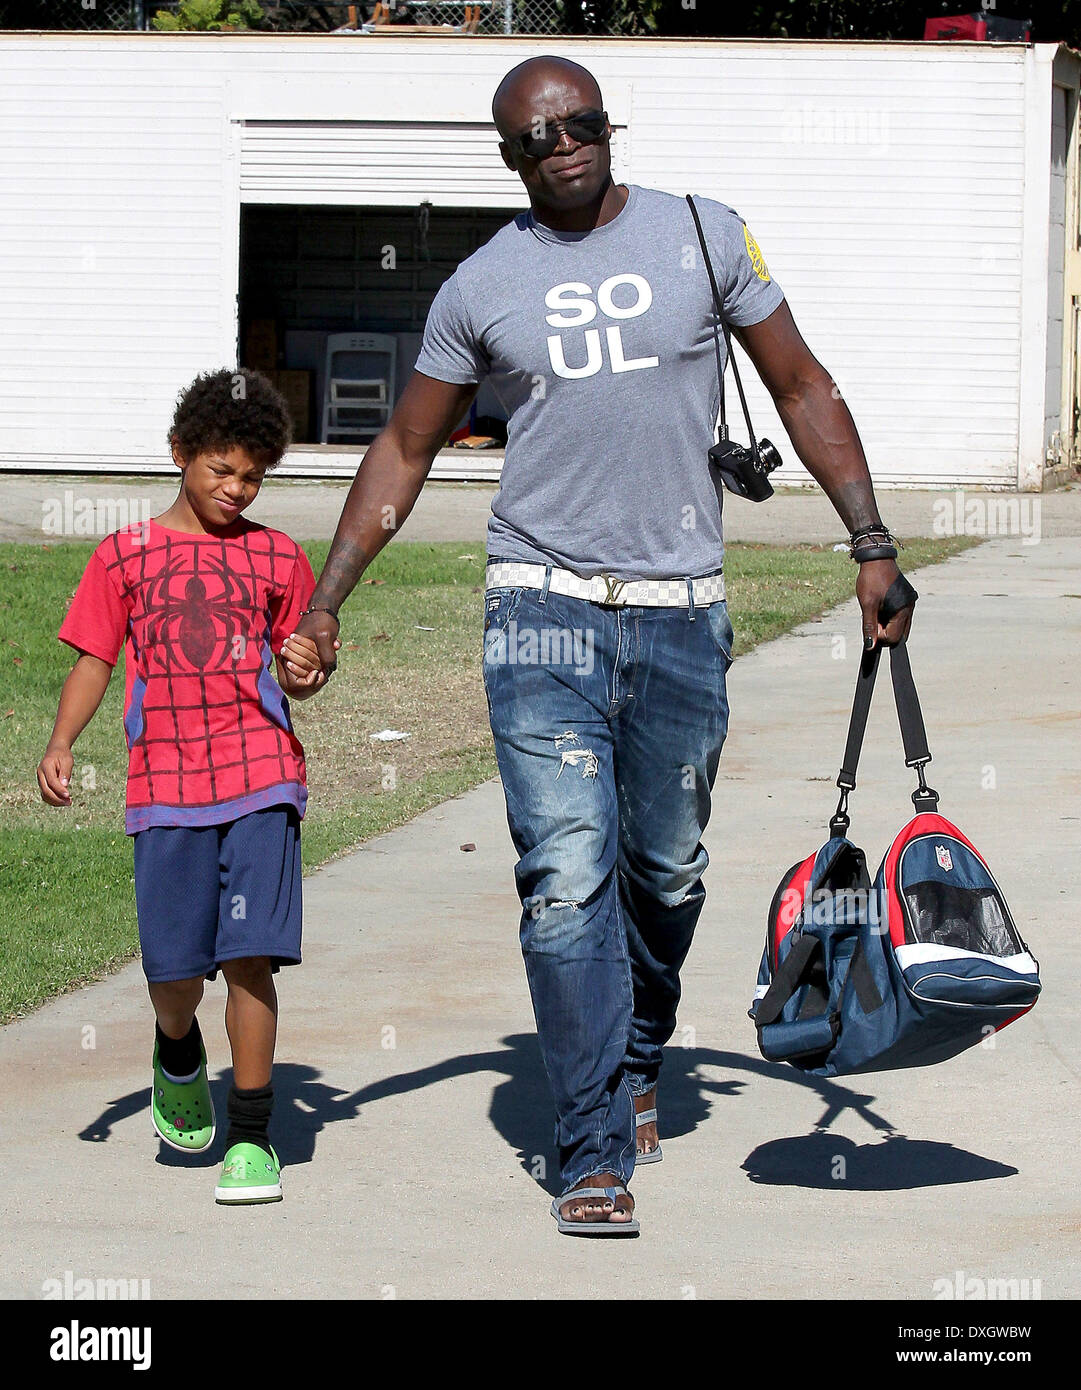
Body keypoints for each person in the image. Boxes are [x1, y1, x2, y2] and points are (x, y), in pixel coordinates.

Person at [292, 55, 916, 1235]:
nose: (562, 145)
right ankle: (586, 1150)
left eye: (579, 123)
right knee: (564, 878)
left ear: (607, 126)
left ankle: (638, 1052)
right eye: (536, 137)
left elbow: (800, 384)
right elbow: (407, 449)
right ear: (509, 157)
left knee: (667, 869)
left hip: (682, 609)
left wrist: (870, 541)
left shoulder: (706, 232)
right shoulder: (480, 284)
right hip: (539, 609)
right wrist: (329, 598)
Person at [36, 368, 331, 1205]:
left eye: (253, 477)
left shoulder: (277, 555)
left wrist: (308, 666)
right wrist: (62, 741)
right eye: (220, 471)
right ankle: (175, 1049)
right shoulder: (123, 555)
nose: (236, 490)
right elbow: (97, 656)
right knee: (174, 974)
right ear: (180, 455)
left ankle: (251, 1138)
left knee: (248, 959)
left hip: (260, 778)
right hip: (165, 783)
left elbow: (304, 664)